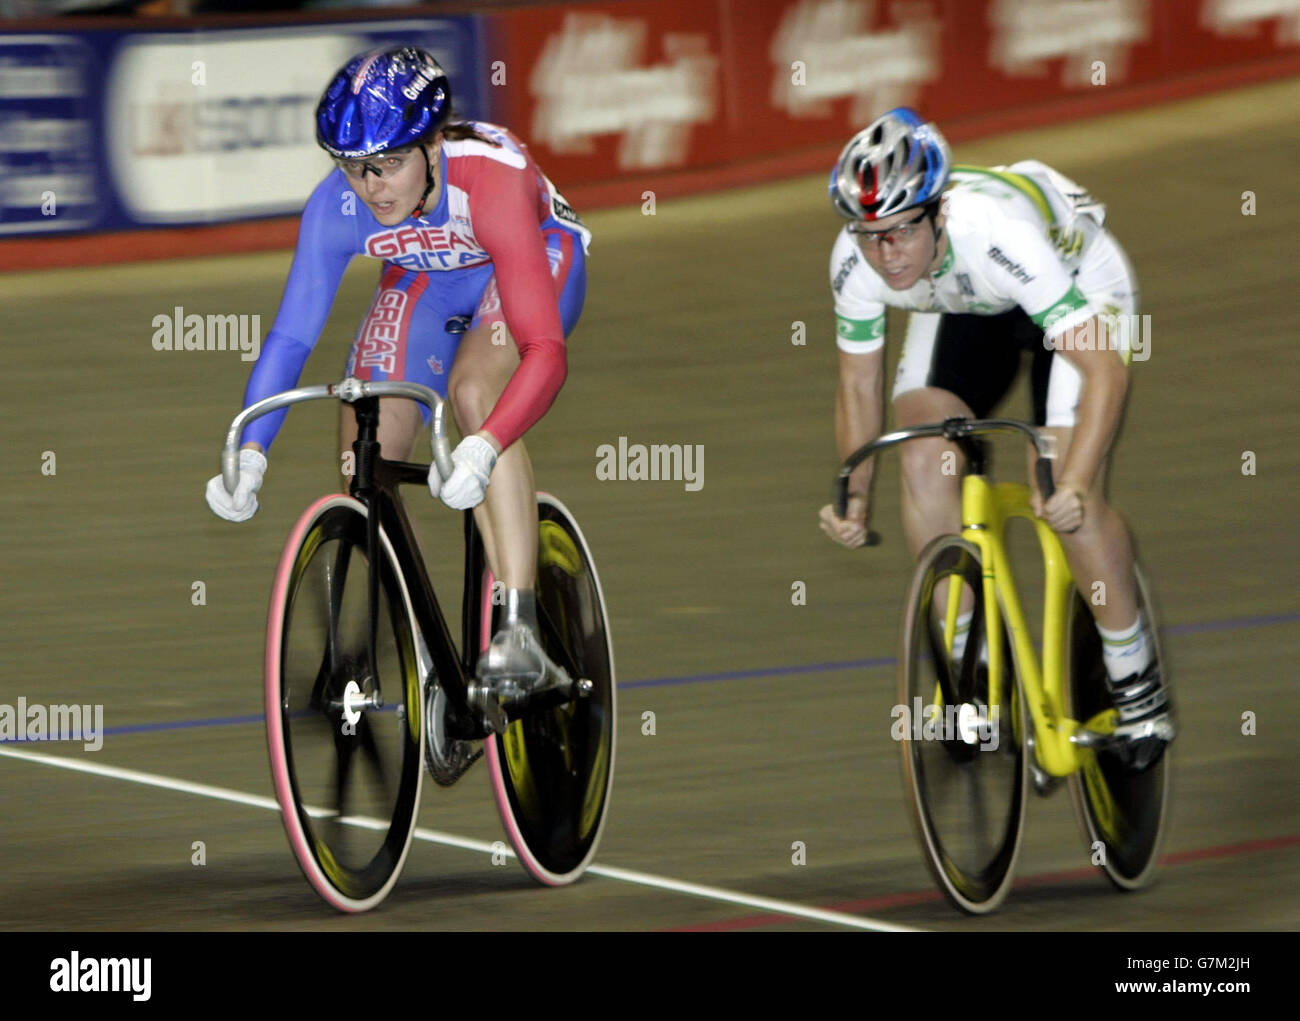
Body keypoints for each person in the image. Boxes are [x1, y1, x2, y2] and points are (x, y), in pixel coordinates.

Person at [205, 45, 590, 694]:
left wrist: (487, 445)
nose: (369, 187)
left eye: (386, 165)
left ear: (433, 145)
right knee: (366, 435)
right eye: (353, 168)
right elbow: (293, 334)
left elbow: (546, 353)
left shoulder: (489, 179)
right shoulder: (339, 206)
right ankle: (405, 639)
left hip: (529, 260)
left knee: (473, 391)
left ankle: (520, 628)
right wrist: (251, 449)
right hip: (429, 274)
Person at [818, 107, 1172, 768]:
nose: (883, 255)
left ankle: (1135, 676)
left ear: (938, 213)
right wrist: (854, 491)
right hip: (962, 296)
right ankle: (968, 673)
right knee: (922, 450)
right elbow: (859, 389)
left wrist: (1073, 480)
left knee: (1066, 492)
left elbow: (1104, 372)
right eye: (869, 237)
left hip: (1073, 286)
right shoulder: (859, 261)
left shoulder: (997, 233)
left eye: (897, 233)